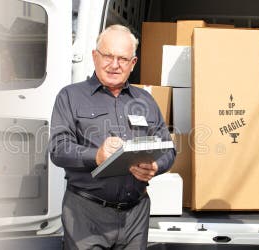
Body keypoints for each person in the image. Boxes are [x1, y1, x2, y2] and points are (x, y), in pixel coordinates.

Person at [48, 24, 175, 250]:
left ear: (133, 63)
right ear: (95, 56)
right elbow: (59, 149)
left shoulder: (145, 100)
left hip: (135, 215)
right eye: (107, 56)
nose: (114, 65)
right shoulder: (70, 96)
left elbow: (169, 149)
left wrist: (156, 165)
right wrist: (96, 156)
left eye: (123, 59)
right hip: (86, 216)